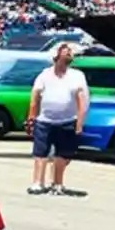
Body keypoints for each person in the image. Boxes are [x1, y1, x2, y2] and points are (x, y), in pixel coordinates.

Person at [26, 43, 88, 195]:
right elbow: (35, 97)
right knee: (40, 153)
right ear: (56, 56)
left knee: (63, 154)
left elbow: (82, 100)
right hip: (44, 121)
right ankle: (37, 183)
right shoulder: (44, 75)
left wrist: (80, 122)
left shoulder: (77, 76)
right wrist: (31, 118)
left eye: (70, 53)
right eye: (65, 52)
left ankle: (57, 184)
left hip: (67, 121)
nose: (68, 54)